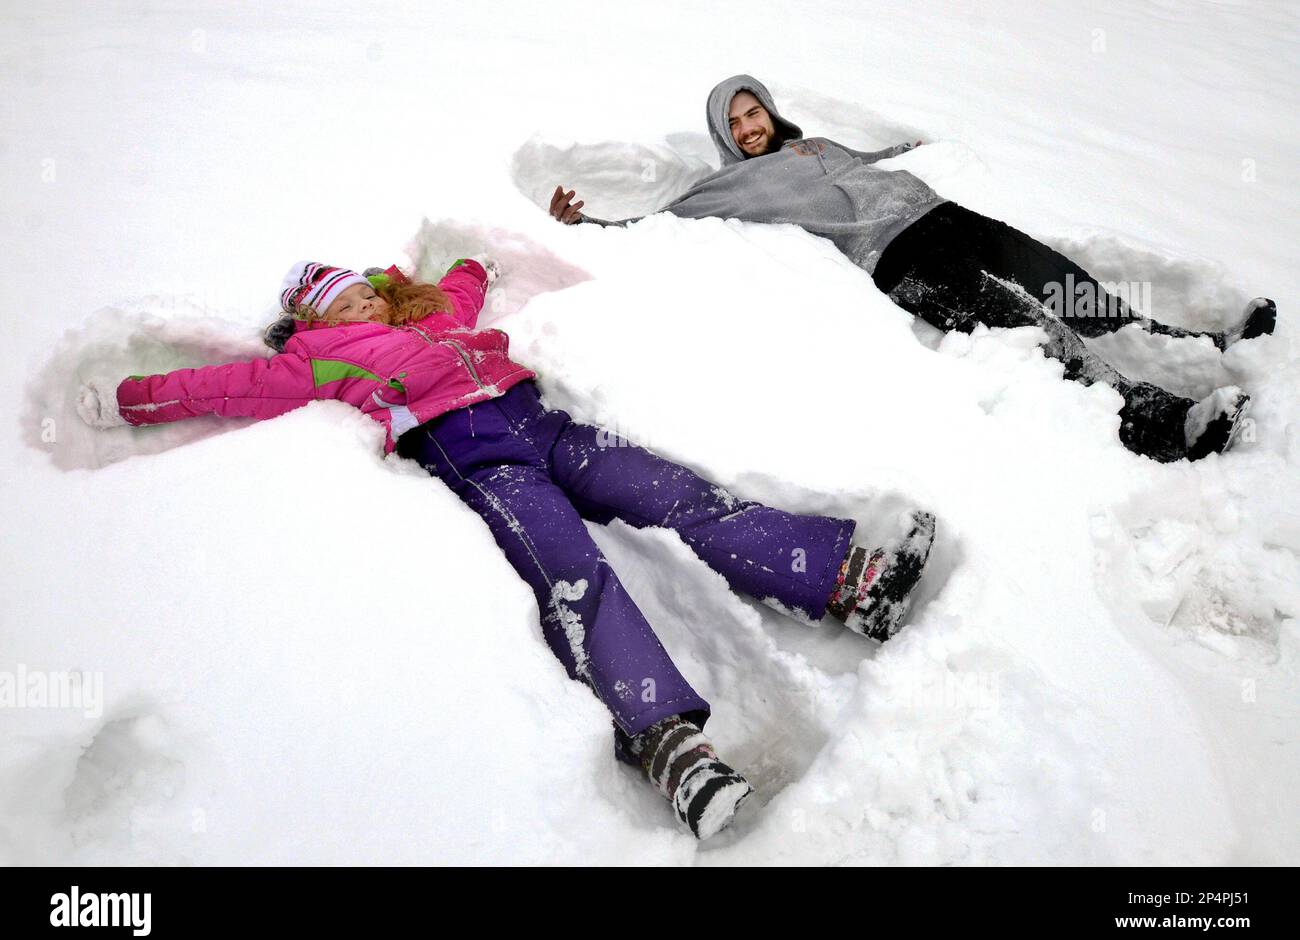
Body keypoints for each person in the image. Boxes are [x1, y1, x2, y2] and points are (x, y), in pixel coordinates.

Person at [76, 255, 937, 840]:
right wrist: (132, 398)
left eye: (366, 293)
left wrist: (474, 265)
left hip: (543, 422)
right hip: (476, 455)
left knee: (676, 495)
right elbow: (224, 385)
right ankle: (667, 742)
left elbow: (460, 283)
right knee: (572, 573)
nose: (363, 305)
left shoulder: (429, 317)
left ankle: (840, 581)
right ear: (312, 316)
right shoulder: (316, 359)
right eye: (342, 301)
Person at [549, 74, 1274, 463]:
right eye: (734, 123)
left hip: (942, 215)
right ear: (724, 137)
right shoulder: (729, 186)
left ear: (770, 110)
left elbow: (875, 159)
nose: (749, 127)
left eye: (753, 112)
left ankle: (1192, 346)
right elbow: (660, 225)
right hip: (900, 259)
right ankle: (1158, 422)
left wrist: (915, 146)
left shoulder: (816, 145)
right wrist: (587, 223)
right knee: (1032, 329)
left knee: (1059, 279)